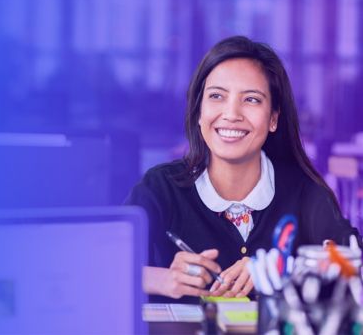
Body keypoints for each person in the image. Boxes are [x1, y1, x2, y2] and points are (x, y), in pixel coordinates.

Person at [125, 36, 361, 303]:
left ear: (273, 118)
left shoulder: (304, 193)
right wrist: (163, 279)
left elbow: (355, 262)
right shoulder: (161, 187)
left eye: (251, 100)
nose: (232, 113)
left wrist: (280, 270)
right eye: (216, 96)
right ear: (199, 112)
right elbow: (94, 268)